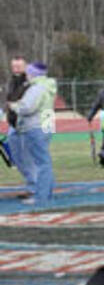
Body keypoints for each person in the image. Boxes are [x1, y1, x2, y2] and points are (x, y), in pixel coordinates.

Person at [12, 61, 57, 207]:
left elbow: (27, 108)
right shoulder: (49, 86)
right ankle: (46, 194)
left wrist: (14, 106)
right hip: (47, 123)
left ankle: (41, 196)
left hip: (36, 125)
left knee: (41, 162)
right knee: (45, 161)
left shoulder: (37, 88)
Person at [5, 54, 33, 190]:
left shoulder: (30, 82)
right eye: (13, 66)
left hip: (26, 125)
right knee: (16, 158)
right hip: (13, 124)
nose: (15, 69)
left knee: (28, 158)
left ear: (25, 67)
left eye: (18, 66)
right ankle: (31, 183)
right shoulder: (11, 81)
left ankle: (35, 187)